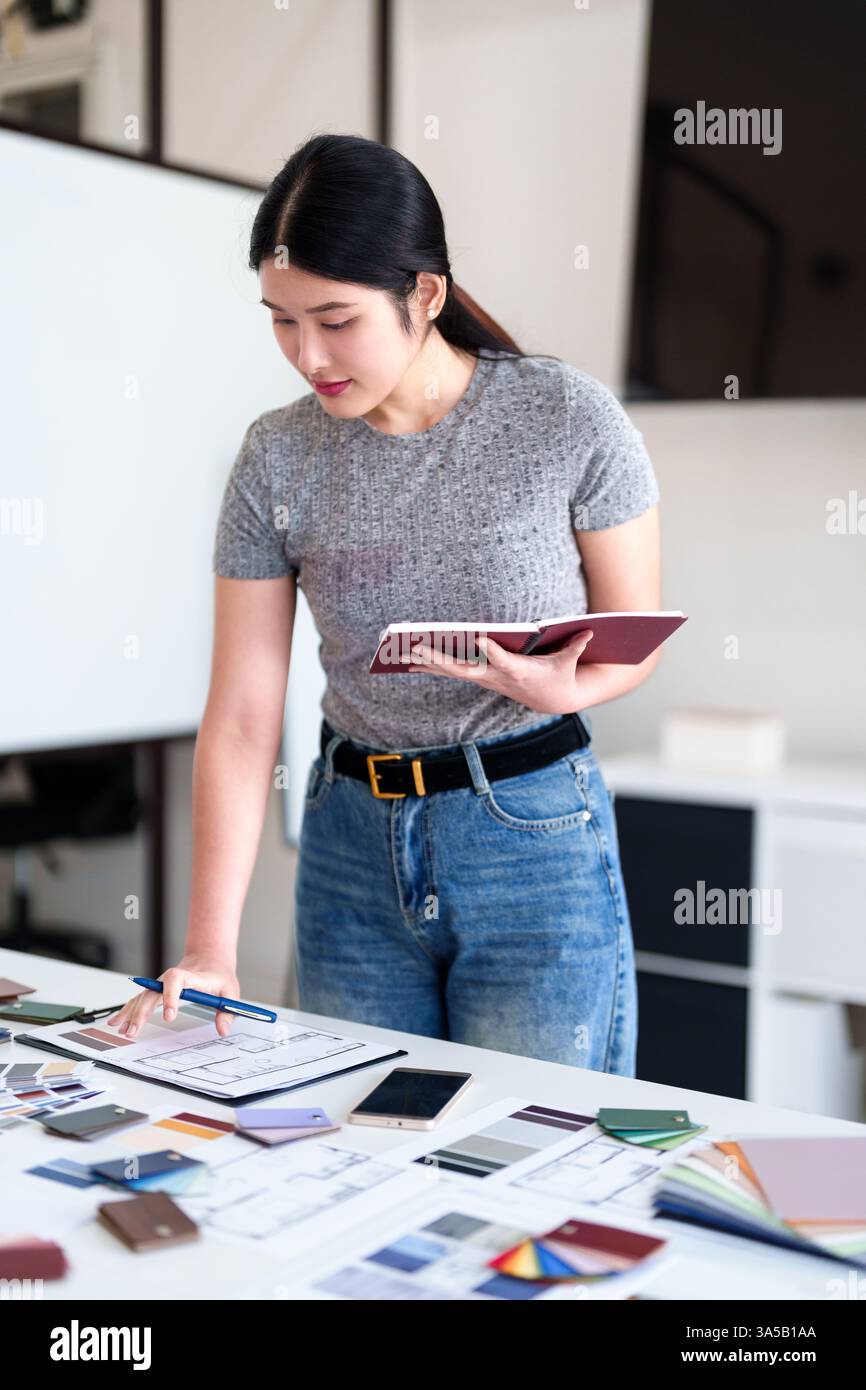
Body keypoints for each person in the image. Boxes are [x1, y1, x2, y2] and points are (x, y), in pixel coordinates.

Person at [109, 133, 661, 1076]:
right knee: (351, 1141)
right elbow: (243, 716)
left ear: (426, 295)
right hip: (350, 842)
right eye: (282, 321)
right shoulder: (276, 457)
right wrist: (209, 944)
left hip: (532, 838)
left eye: (336, 319)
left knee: (534, 1153)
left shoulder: (566, 417)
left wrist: (557, 690)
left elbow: (633, 639)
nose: (308, 355)